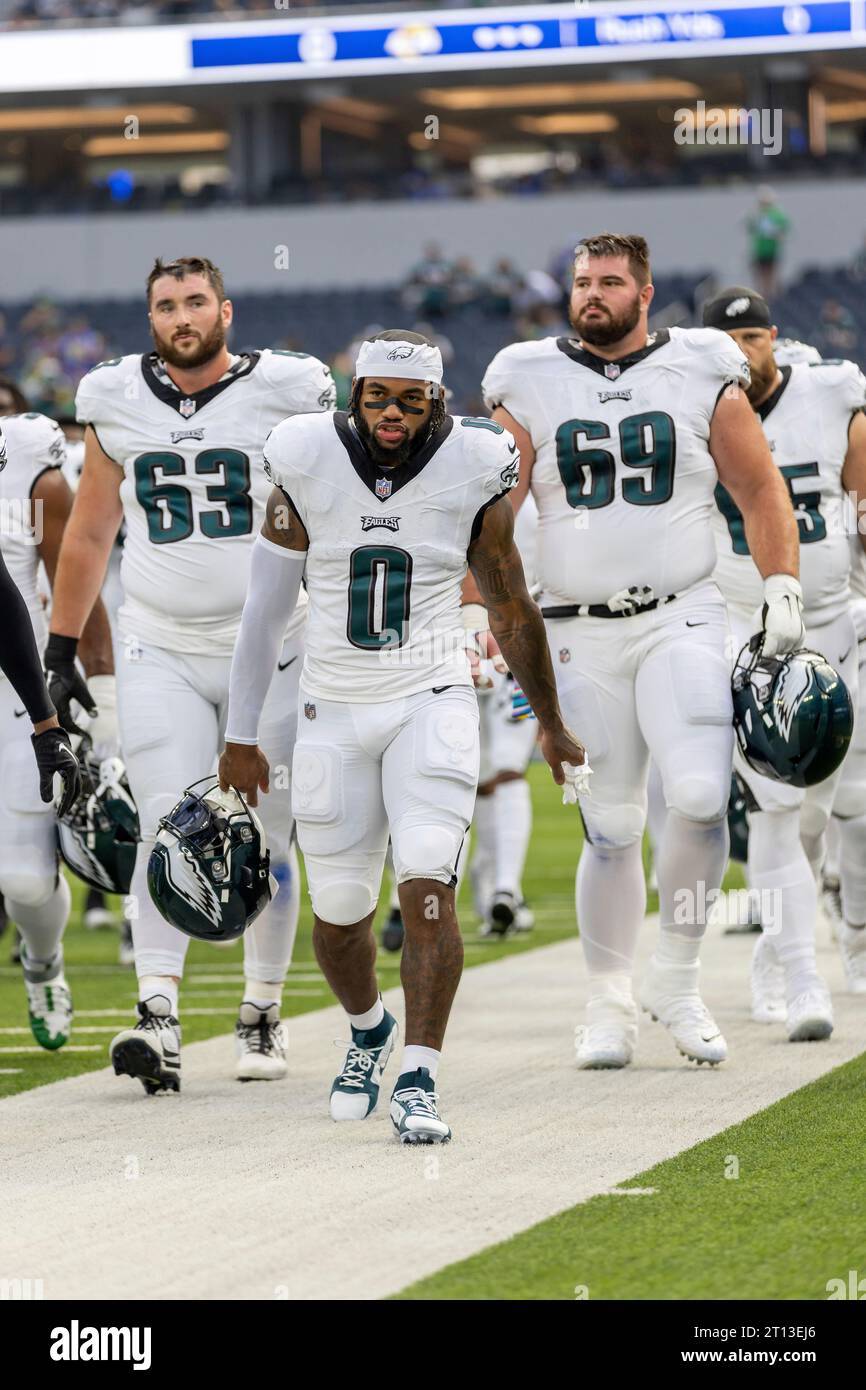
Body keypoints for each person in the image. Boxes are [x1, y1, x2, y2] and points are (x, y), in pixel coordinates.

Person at [218, 329, 585, 1144]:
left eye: (410, 400)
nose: (393, 413)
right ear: (354, 395)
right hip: (331, 704)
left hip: (431, 694)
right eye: (378, 396)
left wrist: (552, 726)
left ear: (437, 401)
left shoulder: (475, 463)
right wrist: (242, 734)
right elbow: (264, 612)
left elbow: (510, 603)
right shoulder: (303, 457)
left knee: (426, 887)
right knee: (340, 915)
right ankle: (368, 1030)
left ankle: (419, 1075)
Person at [480, 232, 802, 1070]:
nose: (593, 294)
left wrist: (781, 585)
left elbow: (758, 487)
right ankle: (608, 1002)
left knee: (699, 795)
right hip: (575, 627)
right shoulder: (527, 375)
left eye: (611, 282)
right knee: (614, 823)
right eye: (583, 281)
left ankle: (678, 978)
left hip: (681, 612)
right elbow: (492, 512)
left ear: (646, 293)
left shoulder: (699, 364)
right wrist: (478, 609)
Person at [45, 255, 336, 1094]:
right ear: (151, 318)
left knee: (267, 833)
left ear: (226, 311)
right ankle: (158, 1015)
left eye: (196, 302)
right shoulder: (115, 397)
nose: (182, 317)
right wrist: (61, 648)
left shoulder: (286, 390)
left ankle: (262, 1009)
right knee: (162, 823)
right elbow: (91, 531)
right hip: (160, 643)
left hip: (272, 644)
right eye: (167, 305)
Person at [705, 288, 866, 1033]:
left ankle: (835, 939)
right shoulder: (697, 406)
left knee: (836, 805)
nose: (743, 352)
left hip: (833, 617)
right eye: (729, 341)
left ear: (773, 335)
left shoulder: (832, 395)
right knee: (776, 801)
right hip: (747, 626)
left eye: (752, 336)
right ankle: (793, 966)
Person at [0, 399, 111, 1047]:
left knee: (23, 880)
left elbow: (67, 580)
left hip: (15, 689)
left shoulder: (28, 463)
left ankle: (43, 962)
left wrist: (61, 715)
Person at [747, 187, 789, 300]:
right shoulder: (756, 215)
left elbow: (783, 232)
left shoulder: (777, 215)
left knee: (771, 277)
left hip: (771, 250)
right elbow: (750, 228)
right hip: (759, 250)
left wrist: (774, 232)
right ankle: (761, 297)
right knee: (759, 278)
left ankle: (771, 297)